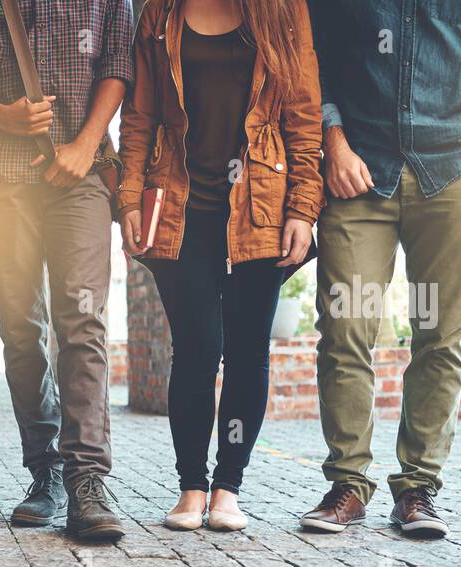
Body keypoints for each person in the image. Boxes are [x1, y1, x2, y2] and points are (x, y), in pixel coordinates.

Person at [300, 0, 461, 538]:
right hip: (357, 175)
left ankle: (418, 488)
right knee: (345, 328)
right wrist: (331, 142)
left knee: (439, 333)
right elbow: (310, 59)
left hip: (456, 170)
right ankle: (347, 484)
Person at [119, 0, 322, 531]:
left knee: (248, 350)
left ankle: (228, 487)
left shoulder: (281, 10)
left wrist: (303, 207)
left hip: (260, 207)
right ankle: (191, 487)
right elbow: (139, 116)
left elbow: (303, 113)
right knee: (196, 347)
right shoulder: (160, 13)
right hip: (180, 205)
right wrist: (127, 198)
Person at [0, 0, 133, 543]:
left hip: (83, 169)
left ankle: (87, 480)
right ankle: (44, 472)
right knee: (21, 329)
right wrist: (0, 115)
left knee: (82, 319)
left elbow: (119, 60)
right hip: (2, 172)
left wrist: (88, 142)